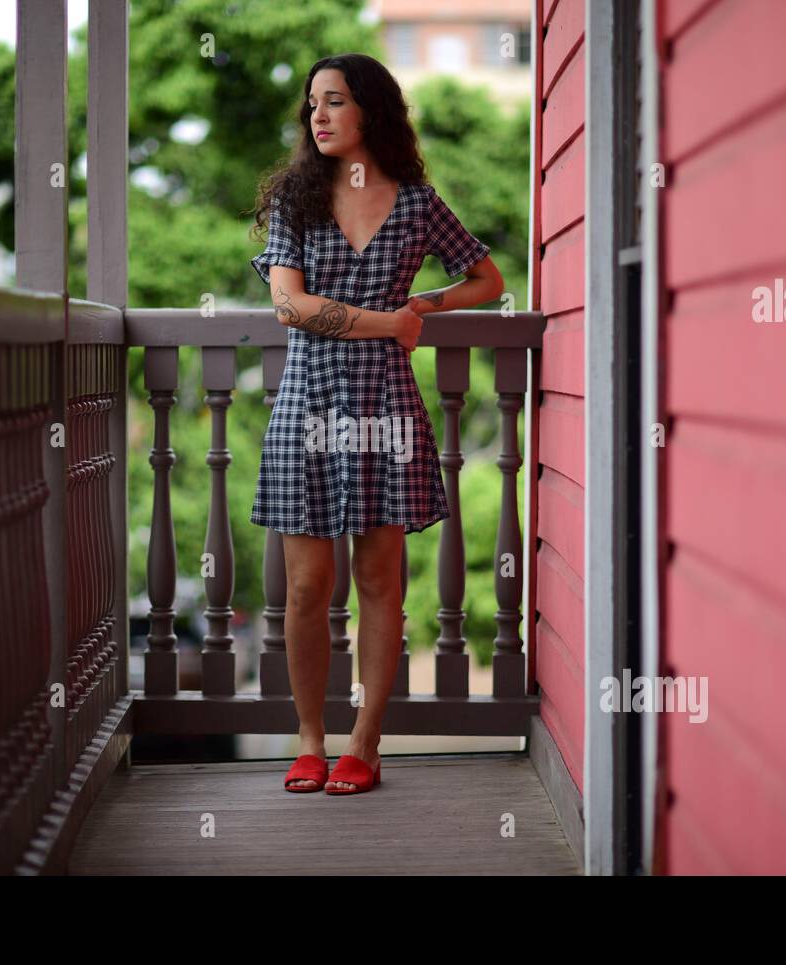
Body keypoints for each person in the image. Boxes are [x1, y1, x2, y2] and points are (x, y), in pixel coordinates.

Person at [247, 53, 505, 793]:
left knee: (380, 580)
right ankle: (308, 739)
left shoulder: (419, 202)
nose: (318, 115)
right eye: (311, 104)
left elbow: (488, 278)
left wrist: (425, 307)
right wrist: (389, 320)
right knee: (306, 585)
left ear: (371, 111)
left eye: (333, 101)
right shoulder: (297, 199)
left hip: (385, 406)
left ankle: (364, 740)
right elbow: (291, 306)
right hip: (307, 404)